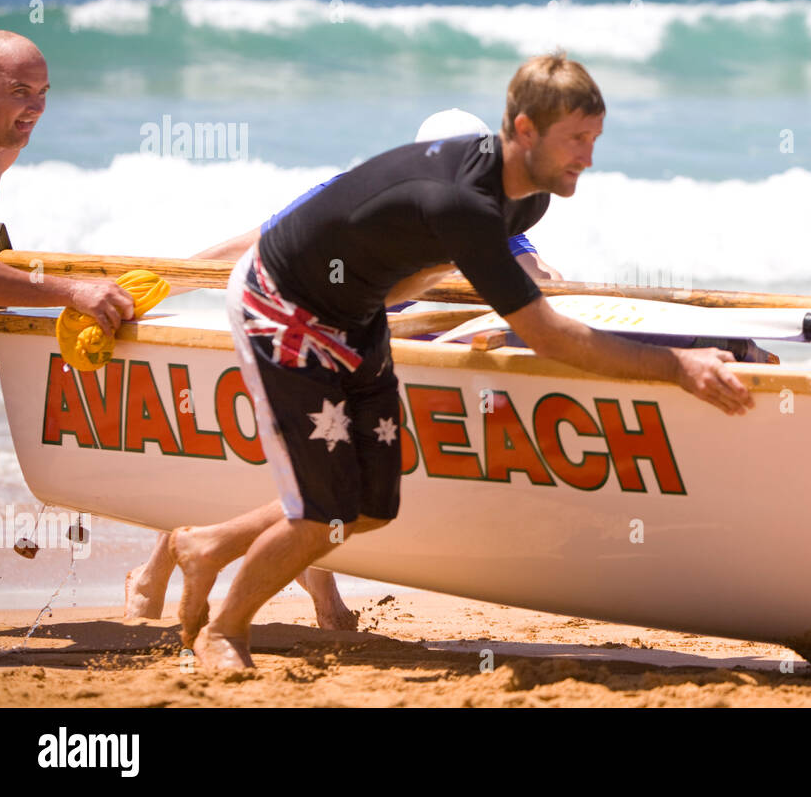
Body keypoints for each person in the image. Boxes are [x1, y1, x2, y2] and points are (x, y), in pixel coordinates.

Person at [179, 53, 754, 670]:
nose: (588, 156)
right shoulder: (459, 201)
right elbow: (550, 336)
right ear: (525, 130)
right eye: (576, 140)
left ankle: (207, 545)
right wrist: (676, 368)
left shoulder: (528, 199)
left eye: (595, 138)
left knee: (372, 508)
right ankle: (225, 632)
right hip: (282, 305)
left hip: (358, 310)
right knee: (326, 510)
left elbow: (477, 277)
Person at [126, 108, 558, 628]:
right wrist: (154, 288)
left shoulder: (486, 207)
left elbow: (537, 275)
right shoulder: (362, 196)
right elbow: (253, 246)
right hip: (303, 325)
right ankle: (181, 578)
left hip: (376, 346)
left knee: (337, 475)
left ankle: (280, 594)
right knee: (310, 463)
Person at [0, 31, 133, 327]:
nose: (38, 108)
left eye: (42, 92)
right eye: (20, 91)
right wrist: (73, 292)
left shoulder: (2, 154)